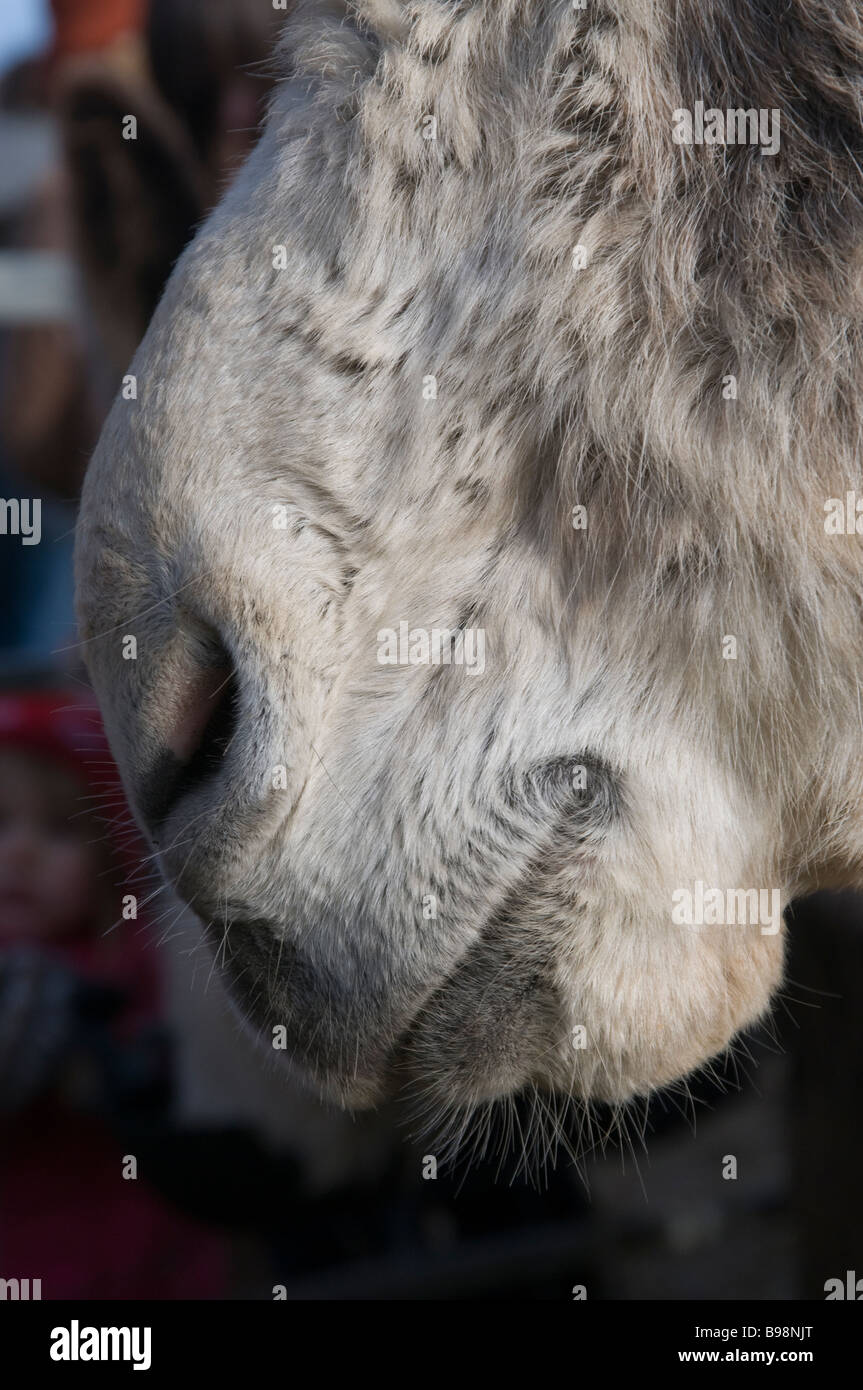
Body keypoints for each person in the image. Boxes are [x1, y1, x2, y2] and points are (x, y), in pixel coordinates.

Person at [0, 689, 228, 1298]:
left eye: (59, 830)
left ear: (110, 856)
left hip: (147, 1265)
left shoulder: (150, 972)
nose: (18, 854)